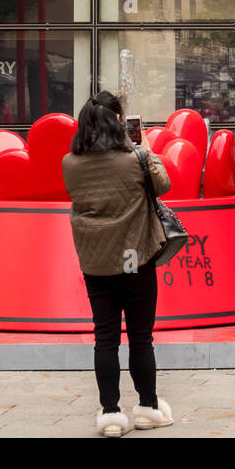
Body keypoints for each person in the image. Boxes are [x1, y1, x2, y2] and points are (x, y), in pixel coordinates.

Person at [61, 91, 175, 438]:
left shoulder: (70, 163)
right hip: (135, 259)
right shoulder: (134, 158)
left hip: (96, 263)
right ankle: (148, 408)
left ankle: (110, 414)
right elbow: (164, 184)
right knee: (141, 338)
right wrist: (143, 148)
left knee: (105, 338)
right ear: (118, 124)